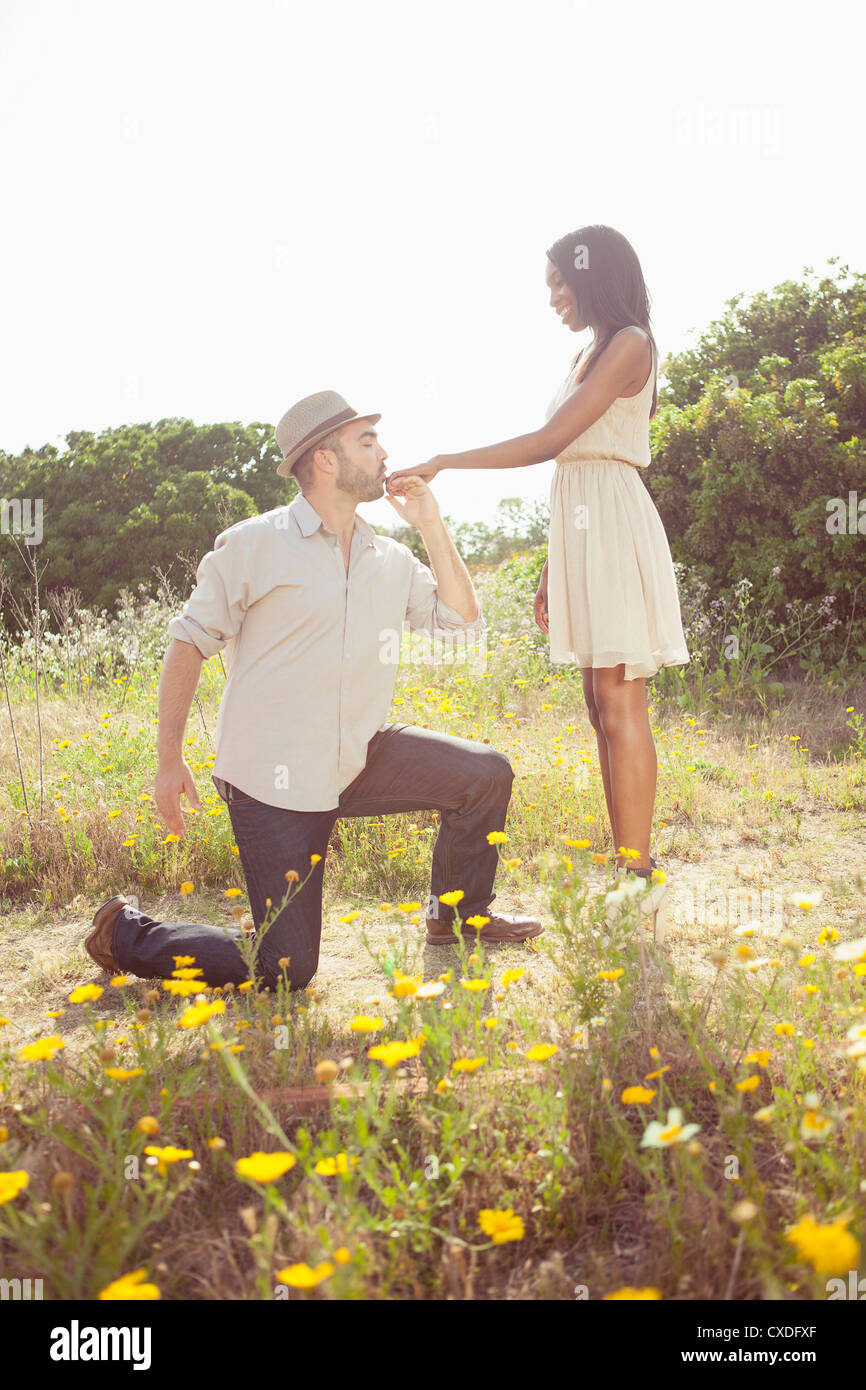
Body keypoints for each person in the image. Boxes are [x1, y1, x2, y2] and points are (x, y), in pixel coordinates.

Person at [84, 391, 543, 992]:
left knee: (484, 774)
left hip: (357, 755)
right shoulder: (254, 544)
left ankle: (455, 918)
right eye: (367, 442)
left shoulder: (391, 556)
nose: (384, 454)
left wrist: (431, 524)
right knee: (286, 968)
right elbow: (187, 643)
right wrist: (170, 760)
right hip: (272, 781)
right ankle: (123, 934)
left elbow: (463, 627)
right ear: (324, 460)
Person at [388, 225, 690, 925]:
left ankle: (636, 870)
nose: (552, 296)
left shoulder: (631, 344)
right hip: (586, 529)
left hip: (614, 524)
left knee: (621, 703)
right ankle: (626, 858)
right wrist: (556, 564)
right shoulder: (587, 351)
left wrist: (444, 459)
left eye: (560, 282)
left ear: (595, 275)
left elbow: (552, 443)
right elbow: (570, 461)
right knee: (597, 705)